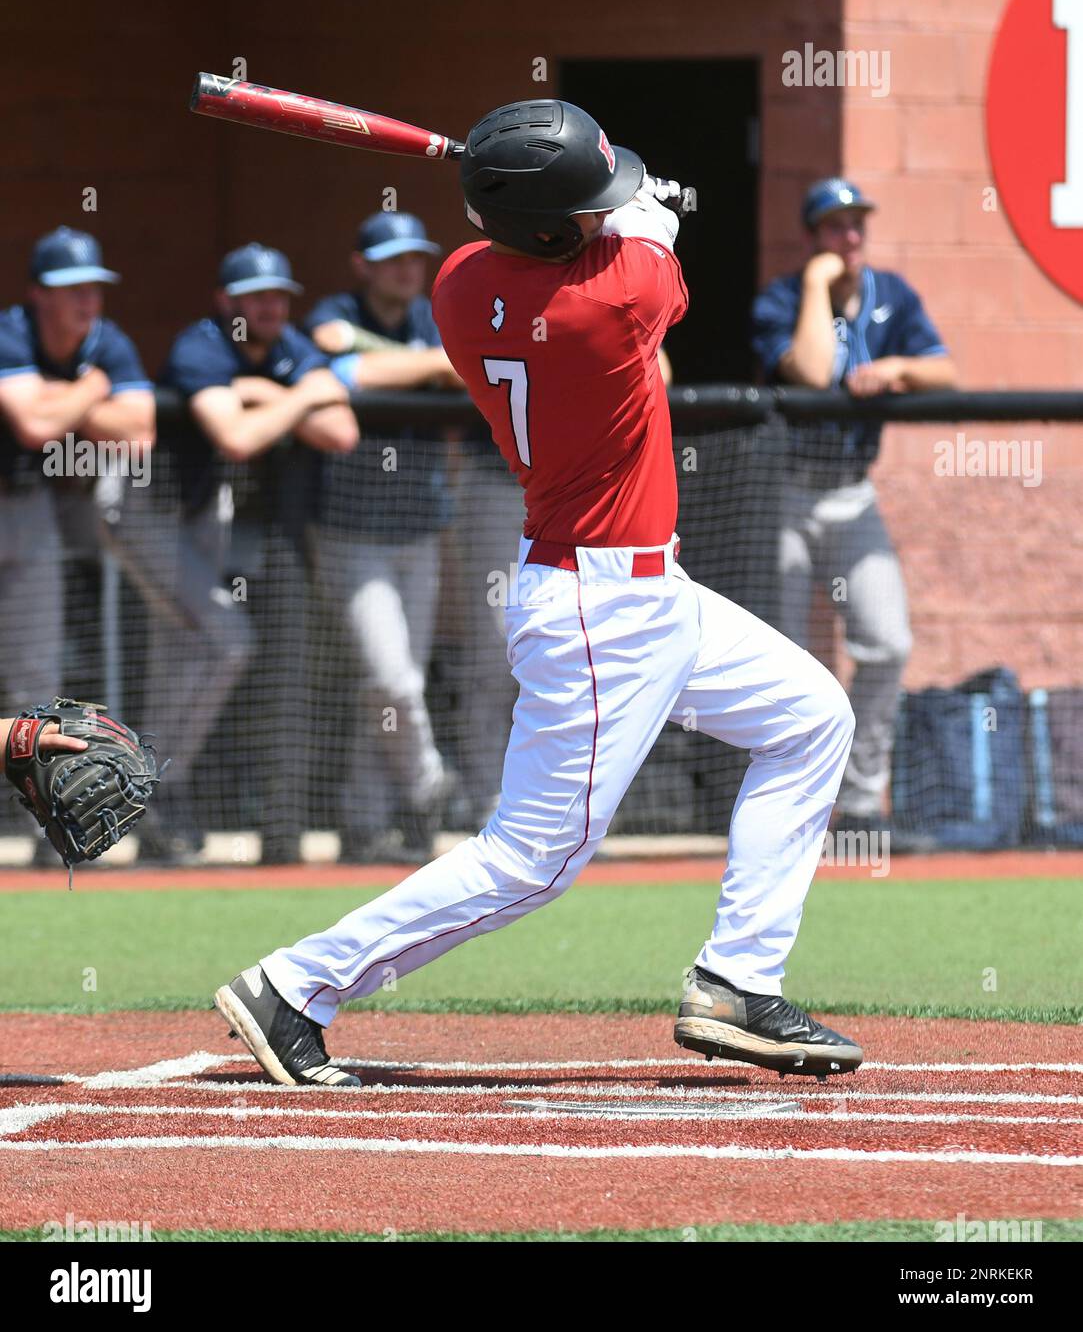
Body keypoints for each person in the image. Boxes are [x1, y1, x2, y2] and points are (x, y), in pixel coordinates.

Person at [214, 101, 861, 1087]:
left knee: (813, 716)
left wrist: (564, 187)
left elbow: (586, 222)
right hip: (604, 611)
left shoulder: (460, 281)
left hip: (646, 591)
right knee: (532, 860)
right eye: (584, 207)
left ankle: (738, 979)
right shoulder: (617, 298)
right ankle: (296, 986)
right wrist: (620, 198)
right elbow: (646, 224)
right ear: (550, 226)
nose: (605, 214)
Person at [106, 244, 357, 862]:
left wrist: (262, 391)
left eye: (278, 296)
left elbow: (343, 432)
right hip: (142, 508)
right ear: (228, 302)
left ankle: (155, 793)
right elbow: (239, 438)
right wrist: (295, 397)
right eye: (256, 297)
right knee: (229, 639)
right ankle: (159, 785)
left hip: (197, 514)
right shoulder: (204, 345)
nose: (270, 307)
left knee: (185, 653)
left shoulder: (287, 347)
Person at [751, 179, 957, 849]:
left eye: (856, 224)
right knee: (783, 658)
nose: (849, 237)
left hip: (850, 491)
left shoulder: (891, 295)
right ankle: (785, 810)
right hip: (783, 490)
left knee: (887, 640)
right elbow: (810, 372)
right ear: (812, 236)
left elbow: (944, 372)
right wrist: (816, 285)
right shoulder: (783, 297)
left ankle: (862, 803)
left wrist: (895, 367)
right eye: (834, 227)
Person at [304, 212, 459, 862]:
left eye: (414, 257)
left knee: (400, 682)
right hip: (347, 530)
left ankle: (364, 823)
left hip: (419, 528)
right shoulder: (332, 309)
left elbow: (457, 367)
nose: (406, 268)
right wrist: (407, 366)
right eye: (391, 258)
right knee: (390, 678)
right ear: (362, 264)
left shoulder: (427, 315)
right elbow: (337, 370)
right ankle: (429, 785)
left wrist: (374, 351)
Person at [0, 228, 155, 859]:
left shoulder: (106, 341)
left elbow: (139, 436)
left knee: (33, 674)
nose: (86, 301)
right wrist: (91, 392)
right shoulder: (11, 331)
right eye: (70, 289)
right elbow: (34, 424)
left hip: (30, 510)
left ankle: (30, 828)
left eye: (93, 288)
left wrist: (60, 402)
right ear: (39, 294)